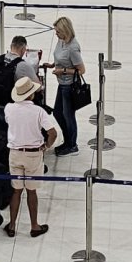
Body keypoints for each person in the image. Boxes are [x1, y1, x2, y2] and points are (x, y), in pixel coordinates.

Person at [3, 76, 57, 237]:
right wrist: (46, 146)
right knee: (31, 192)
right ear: (31, 94)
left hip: (14, 153)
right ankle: (34, 226)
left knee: (16, 191)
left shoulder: (9, 108)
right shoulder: (39, 111)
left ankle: (12, 226)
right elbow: (52, 133)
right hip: (33, 155)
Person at [48, 16, 85, 157]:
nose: (55, 34)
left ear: (65, 31)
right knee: (58, 112)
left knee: (68, 116)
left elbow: (81, 70)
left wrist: (62, 71)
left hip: (69, 86)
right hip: (61, 84)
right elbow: (61, 57)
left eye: (58, 31)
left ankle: (72, 145)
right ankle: (68, 139)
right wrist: (53, 65)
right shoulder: (61, 40)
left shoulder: (73, 48)